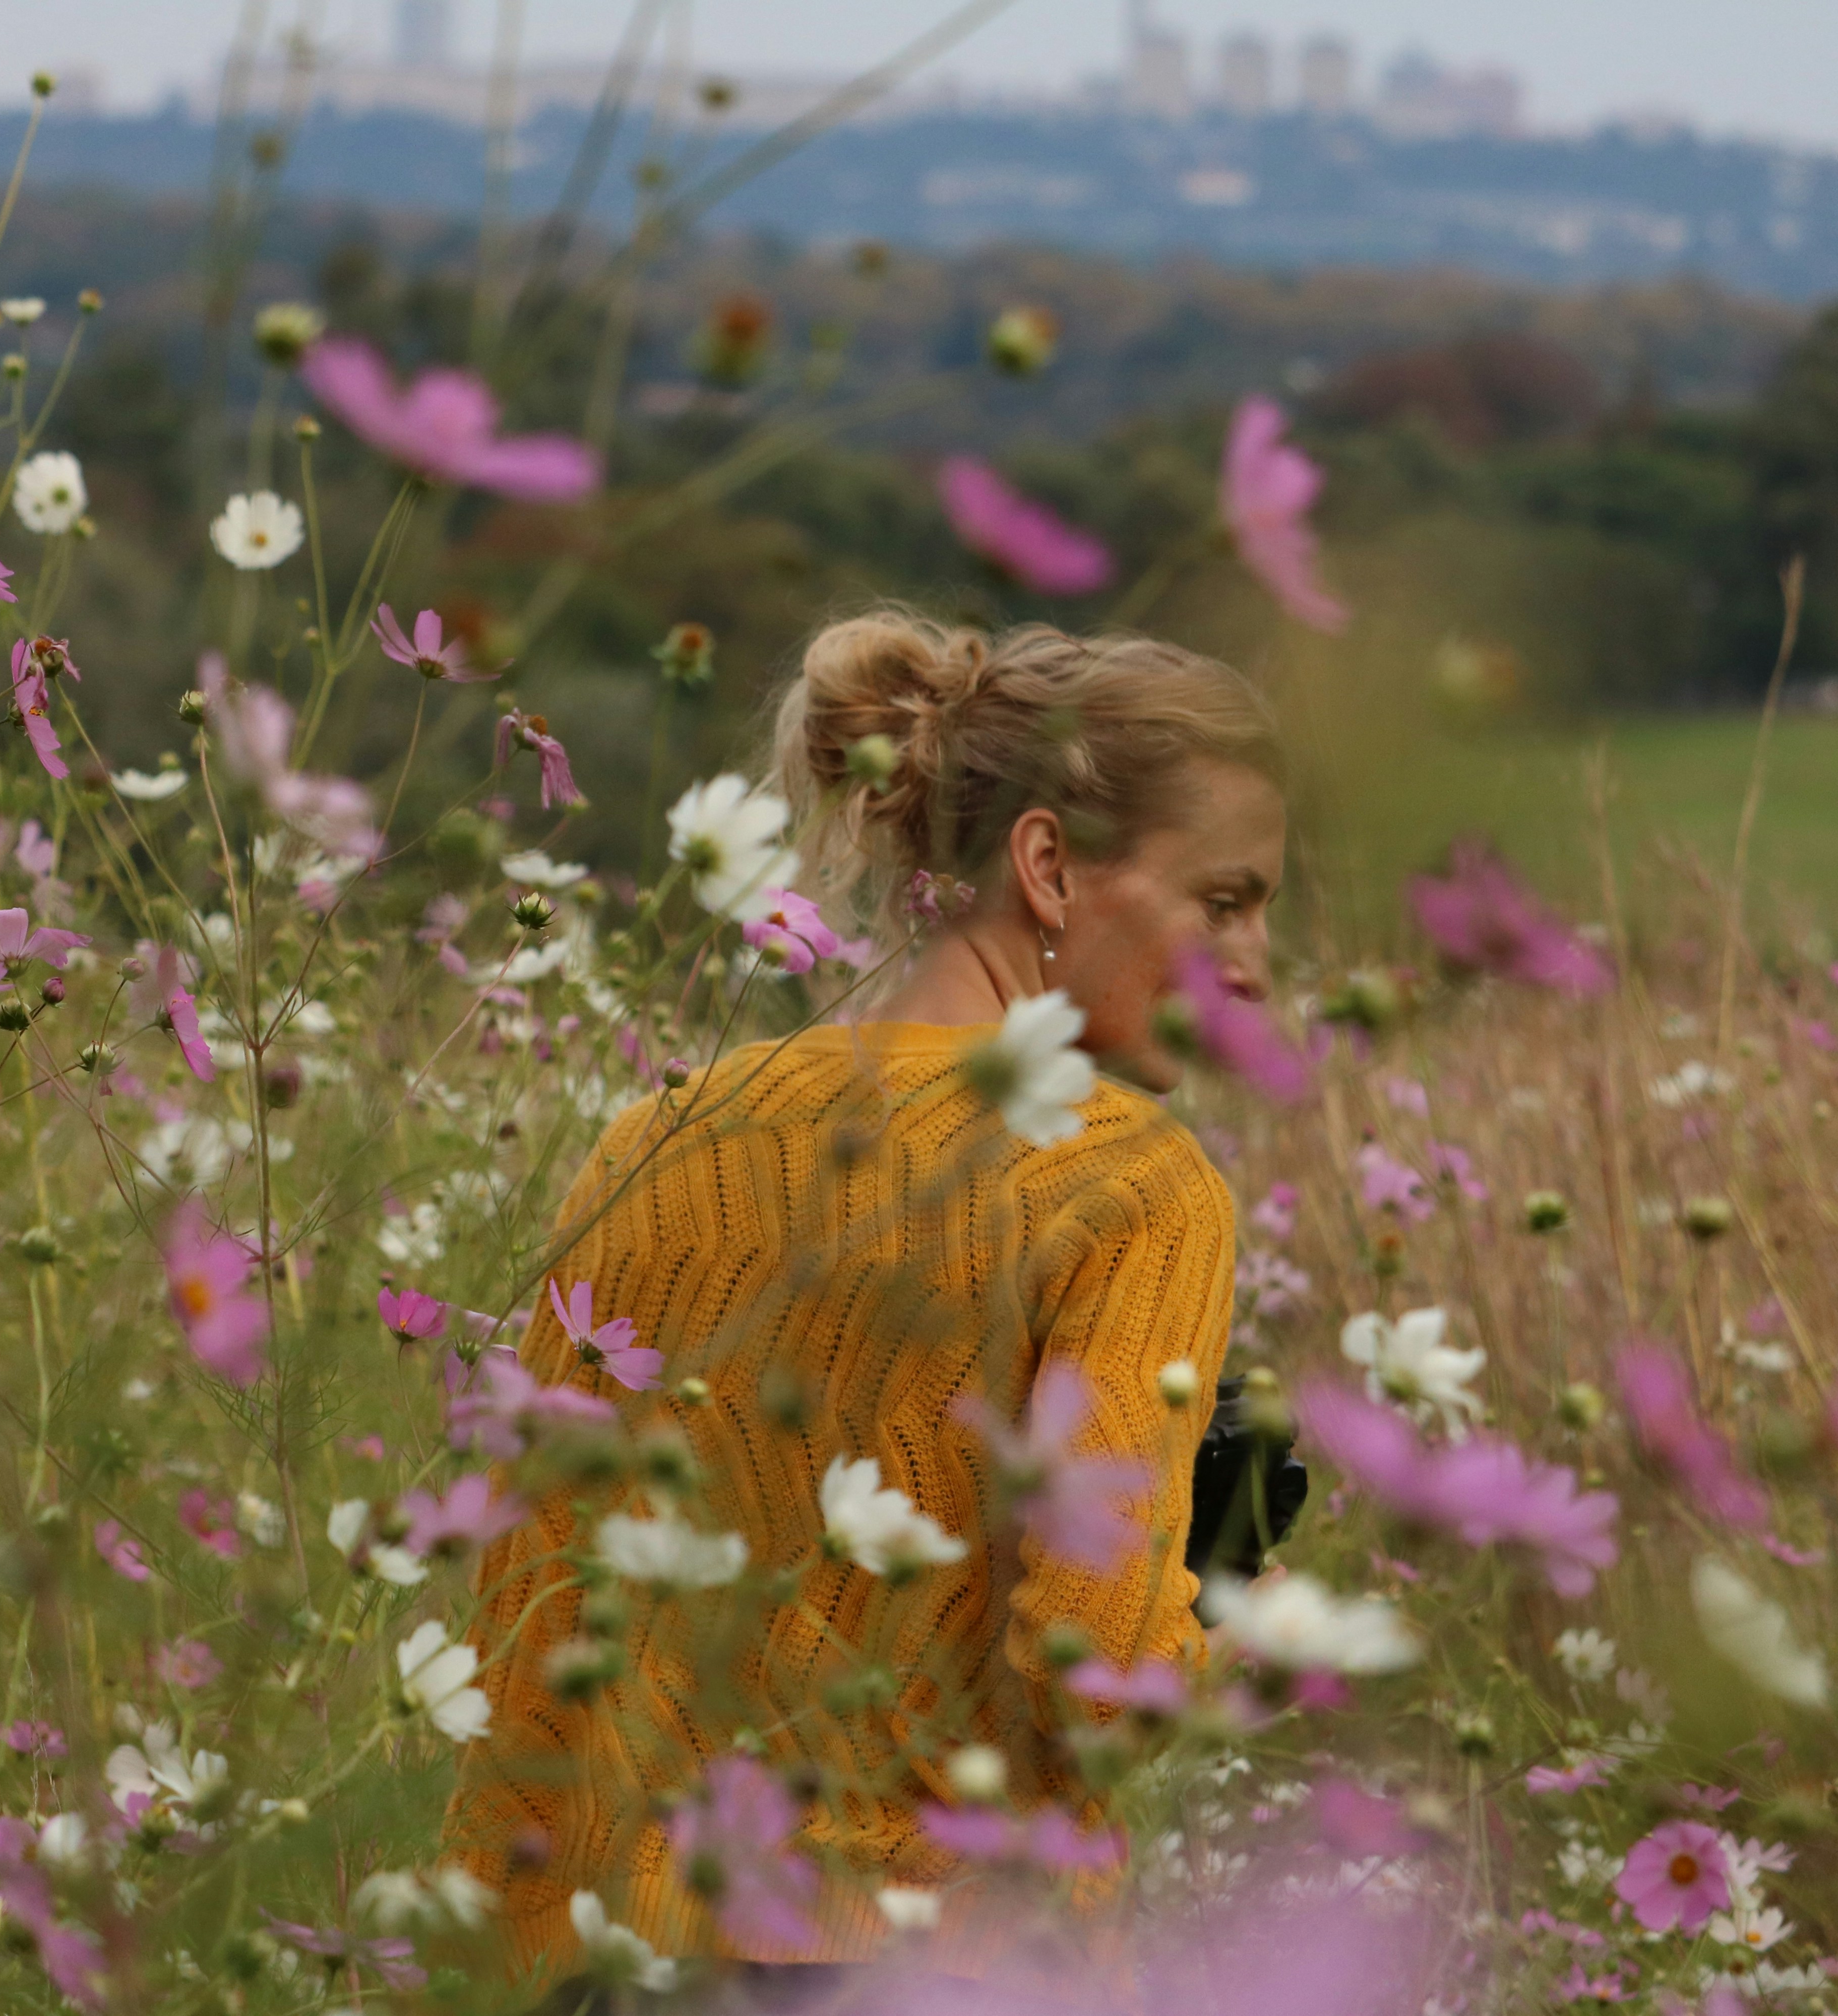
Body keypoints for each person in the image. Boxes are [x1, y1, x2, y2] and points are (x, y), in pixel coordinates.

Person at [449, 610, 1289, 1985]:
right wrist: (1221, 1609)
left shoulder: (657, 1139)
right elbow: (1101, 1682)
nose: (1257, 966)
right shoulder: (1128, 1186)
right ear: (1050, 869)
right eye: (1226, 900)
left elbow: (530, 1610)